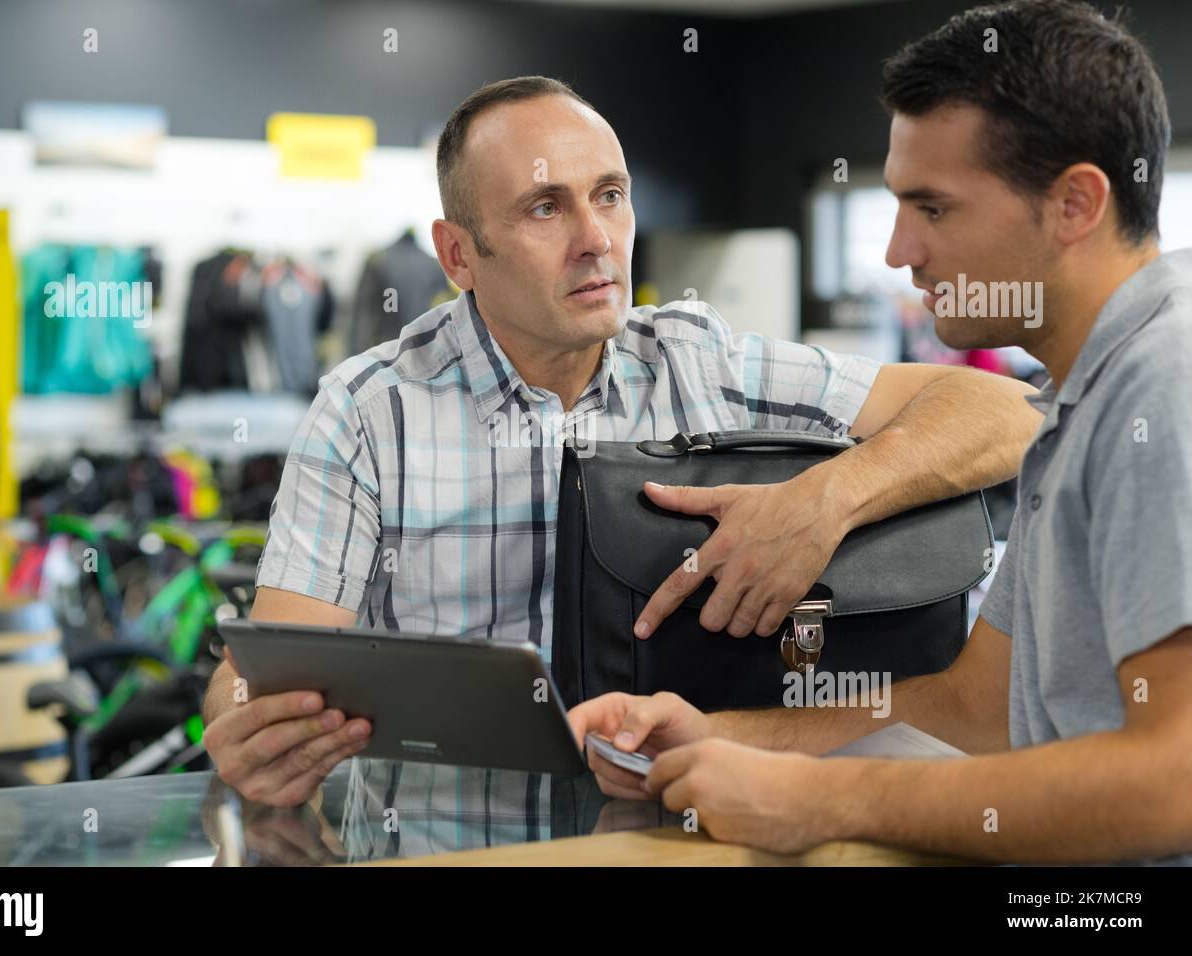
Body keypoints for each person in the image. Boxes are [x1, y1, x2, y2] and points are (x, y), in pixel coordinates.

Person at [202, 74, 1041, 815]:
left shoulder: (700, 359)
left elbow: (1007, 411)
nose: (595, 236)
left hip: (674, 843)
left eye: (610, 194)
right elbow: (270, 669)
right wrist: (243, 723)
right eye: (544, 207)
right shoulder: (369, 410)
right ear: (458, 254)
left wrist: (824, 500)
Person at [571, 0, 1192, 865]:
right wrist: (717, 738)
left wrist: (822, 800)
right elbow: (979, 713)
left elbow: (1174, 781)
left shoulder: (1164, 382)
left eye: (932, 209)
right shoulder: (1077, 398)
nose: (900, 252)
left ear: (1074, 204)